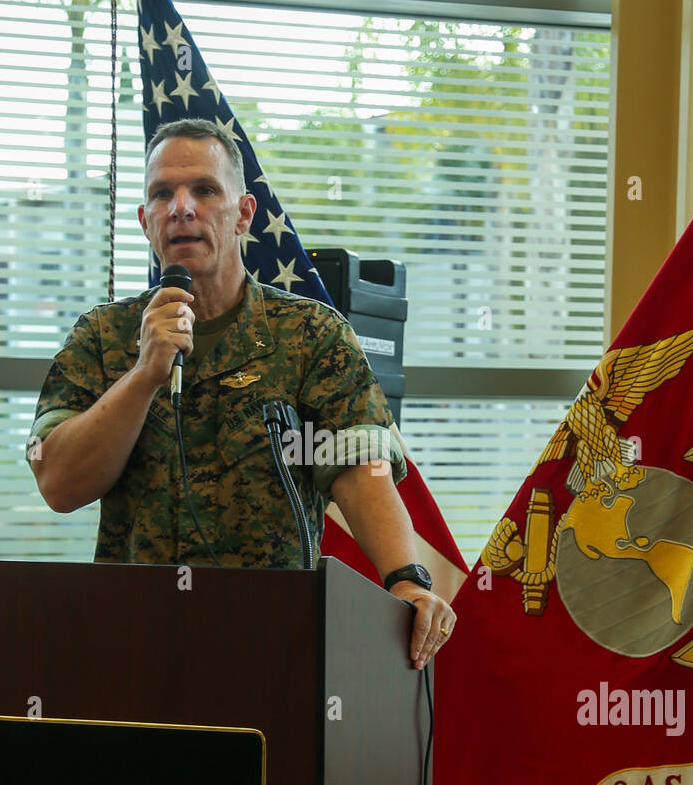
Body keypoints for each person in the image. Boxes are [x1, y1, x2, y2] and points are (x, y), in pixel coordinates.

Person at [27, 118, 455, 669]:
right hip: (136, 646)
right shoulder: (103, 336)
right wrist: (144, 375)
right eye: (162, 194)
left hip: (273, 647)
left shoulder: (310, 334)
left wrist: (406, 580)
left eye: (204, 190)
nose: (182, 208)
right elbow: (59, 482)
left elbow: (358, 469)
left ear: (244, 214)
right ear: (145, 220)